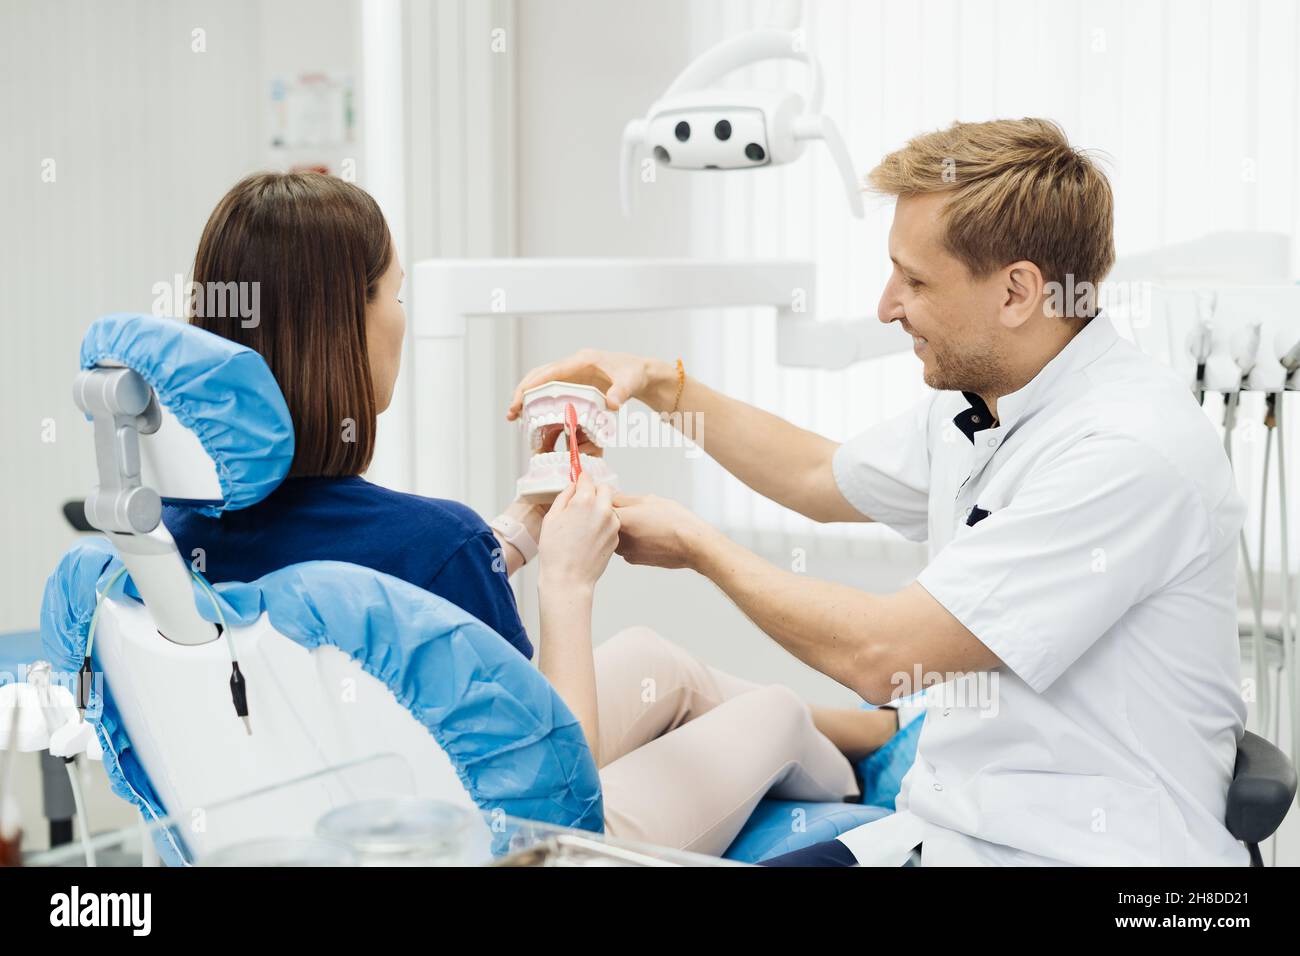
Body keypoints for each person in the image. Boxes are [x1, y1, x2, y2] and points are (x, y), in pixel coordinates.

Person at [509, 118, 1249, 866]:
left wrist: (700, 546)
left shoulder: (1123, 452)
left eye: (916, 280)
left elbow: (884, 655)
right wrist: (664, 387)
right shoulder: (988, 398)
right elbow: (814, 475)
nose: (887, 306)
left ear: (1019, 292)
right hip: (940, 831)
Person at [166, 171, 897, 857]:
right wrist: (568, 583)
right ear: (346, 327)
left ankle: (873, 731)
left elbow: (379, 595)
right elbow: (551, 794)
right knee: (772, 711)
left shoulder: (176, 537)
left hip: (343, 802)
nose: (402, 316)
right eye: (394, 293)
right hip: (516, 849)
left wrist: (518, 529)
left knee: (655, 658)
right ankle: (885, 782)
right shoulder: (434, 542)